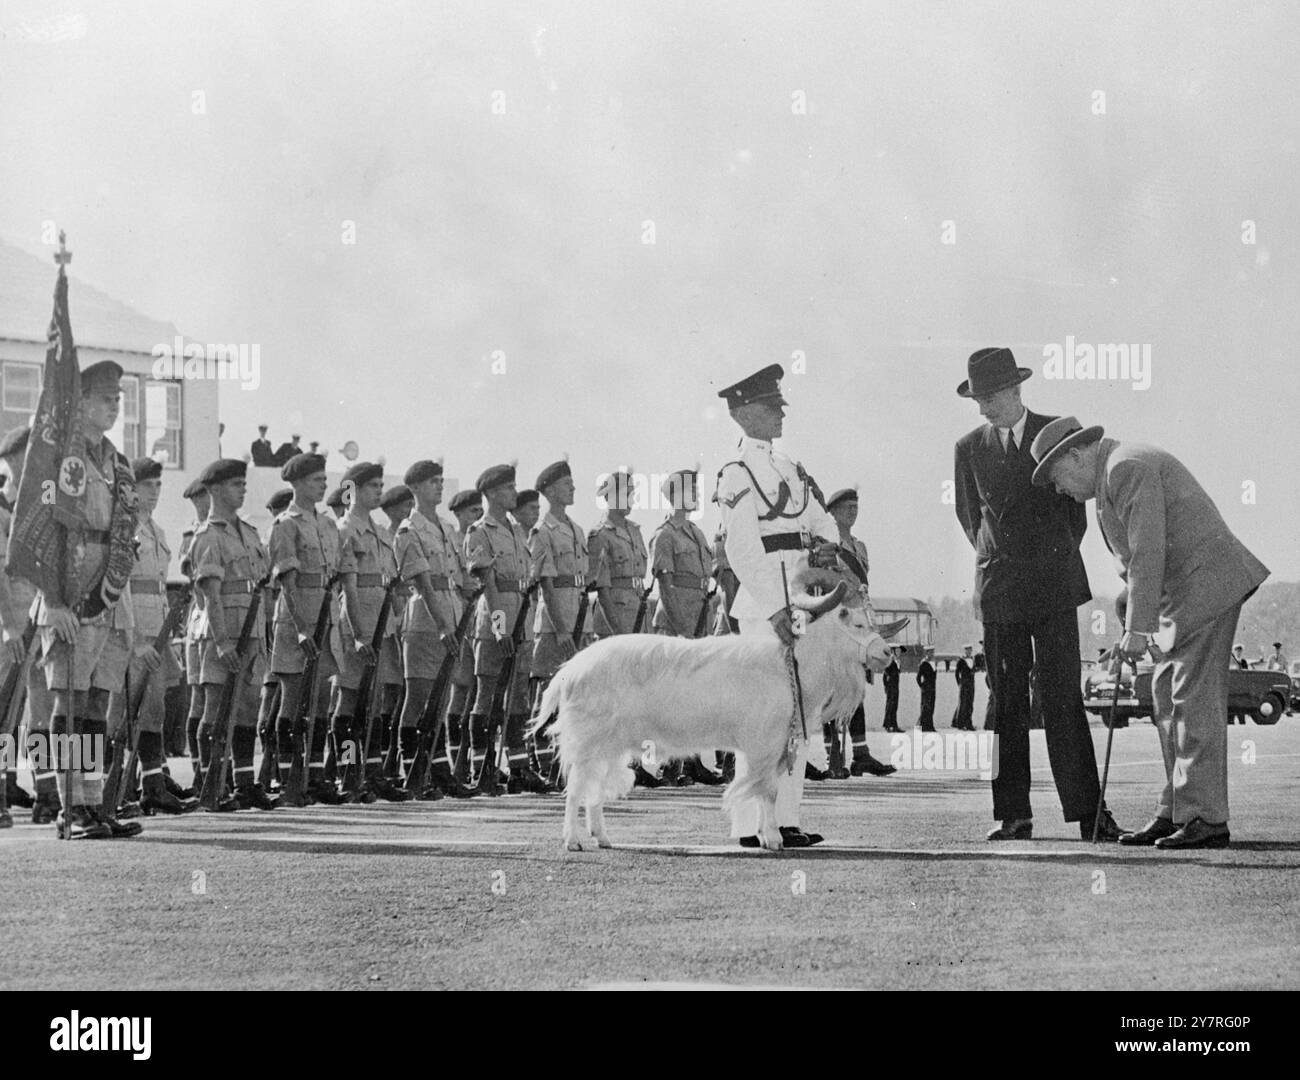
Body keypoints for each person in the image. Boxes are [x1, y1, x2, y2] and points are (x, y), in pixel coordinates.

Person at [1031, 416, 1269, 849]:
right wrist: (1130, 605)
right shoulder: (1110, 479)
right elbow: (1143, 556)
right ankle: (1176, 808)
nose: (1059, 489)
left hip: (1206, 589)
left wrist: (1138, 629)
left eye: (1057, 477)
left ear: (1076, 454)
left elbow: (1148, 551)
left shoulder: (1125, 467)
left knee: (1189, 697)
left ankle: (1205, 817)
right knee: (1164, 694)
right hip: (1183, 596)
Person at [953, 347, 1121, 842]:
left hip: (1052, 586)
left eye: (989, 397)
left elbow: (1075, 511)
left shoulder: (1056, 434)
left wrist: (1045, 558)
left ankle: (1090, 815)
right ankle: (1013, 815)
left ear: (1015, 390)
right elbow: (970, 518)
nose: (984, 408)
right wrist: (1000, 558)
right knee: (1005, 703)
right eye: (978, 400)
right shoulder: (968, 448)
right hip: (1001, 590)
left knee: (1062, 699)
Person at [714, 363, 839, 849]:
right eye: (771, 408)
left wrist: (828, 546)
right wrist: (774, 609)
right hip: (767, 605)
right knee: (761, 715)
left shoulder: (789, 468)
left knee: (800, 715)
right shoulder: (736, 473)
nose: (780, 415)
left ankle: (786, 818)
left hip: (803, 597)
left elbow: (821, 520)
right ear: (745, 414)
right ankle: (749, 823)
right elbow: (742, 550)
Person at [33, 361, 143, 839]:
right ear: (79, 403)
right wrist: (53, 603)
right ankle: (68, 807)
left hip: (109, 593)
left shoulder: (115, 460)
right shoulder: (59, 455)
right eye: (104, 398)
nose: (114, 406)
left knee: (98, 702)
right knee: (70, 702)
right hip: (70, 593)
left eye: (117, 399)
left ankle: (93, 804)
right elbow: (35, 533)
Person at [189, 458, 275, 812]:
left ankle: (243, 783)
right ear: (214, 490)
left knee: (246, 709)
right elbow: (209, 595)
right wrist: (222, 641)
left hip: (251, 631)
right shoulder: (209, 536)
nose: (242, 489)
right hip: (223, 633)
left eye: (243, 483)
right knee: (215, 710)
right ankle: (212, 782)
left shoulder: (250, 533)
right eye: (234, 484)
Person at [110, 458, 192, 814]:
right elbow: (120, 586)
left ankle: (152, 786)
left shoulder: (156, 531)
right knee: (120, 713)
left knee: (153, 711)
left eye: (158, 486)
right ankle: (112, 786)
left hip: (156, 633)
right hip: (131, 634)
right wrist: (135, 639)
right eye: (148, 486)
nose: (154, 492)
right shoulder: (124, 529)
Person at [331, 462, 413, 803]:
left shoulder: (380, 531)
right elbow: (347, 588)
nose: (378, 491)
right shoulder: (344, 529)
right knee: (349, 700)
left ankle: (374, 771)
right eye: (371, 486)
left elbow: (392, 581)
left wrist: (394, 615)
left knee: (376, 701)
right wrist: (360, 633)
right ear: (352, 490)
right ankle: (348, 772)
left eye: (380, 485)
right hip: (359, 623)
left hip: (383, 624)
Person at [268, 452, 341, 805]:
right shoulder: (286, 524)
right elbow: (287, 581)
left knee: (321, 703)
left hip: (326, 616)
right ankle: (287, 780)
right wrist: (300, 628)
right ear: (296, 484)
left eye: (324, 478)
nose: (324, 484)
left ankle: (314, 776)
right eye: (316, 479)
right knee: (292, 701)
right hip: (297, 619)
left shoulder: (326, 523)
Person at [393, 460, 468, 797]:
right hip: (426, 621)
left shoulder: (445, 528)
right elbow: (423, 582)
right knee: (420, 697)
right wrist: (442, 624)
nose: (439, 486)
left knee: (441, 699)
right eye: (432, 482)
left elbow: (456, 577)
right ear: (416, 488)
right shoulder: (409, 530)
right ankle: (412, 770)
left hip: (450, 613)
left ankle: (438, 769)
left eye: (440, 480)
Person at [648, 468, 723, 786]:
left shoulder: (697, 532)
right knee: (667, 699)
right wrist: (681, 626)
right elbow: (665, 585)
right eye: (690, 490)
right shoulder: (665, 534)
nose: (696, 495)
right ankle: (659, 764)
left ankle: (691, 762)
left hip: (698, 619)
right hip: (676, 622)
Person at [464, 465, 535, 795]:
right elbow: (487, 584)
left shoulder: (515, 530)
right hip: (497, 619)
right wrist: (499, 628)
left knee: (518, 695)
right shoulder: (480, 531)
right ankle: (482, 767)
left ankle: (519, 767)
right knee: (487, 695)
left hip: (520, 615)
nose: (514, 494)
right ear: (491, 493)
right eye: (508, 489)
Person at [528, 460, 597, 786]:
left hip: (580, 621)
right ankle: (542, 763)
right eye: (566, 483)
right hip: (557, 624)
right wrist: (561, 627)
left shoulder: (576, 529)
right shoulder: (543, 531)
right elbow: (547, 584)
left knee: (577, 696)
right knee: (549, 696)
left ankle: (566, 763)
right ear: (549, 490)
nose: (572, 487)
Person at [824, 486, 895, 777]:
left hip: (860, 623)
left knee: (856, 688)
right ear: (833, 513)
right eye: (846, 508)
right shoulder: (827, 545)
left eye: (855, 508)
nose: (852, 512)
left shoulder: (860, 546)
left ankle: (861, 754)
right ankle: (833, 757)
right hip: (838, 622)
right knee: (833, 689)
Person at [0, 427, 38, 824]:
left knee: (26, 708)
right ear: (12, 460)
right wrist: (10, 626)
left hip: (34, 619)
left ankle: (25, 783)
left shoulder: (32, 508)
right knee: (2, 706)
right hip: (9, 620)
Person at [444, 488, 484, 790]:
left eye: (479, 510)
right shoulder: (451, 542)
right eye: (472, 511)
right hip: (459, 615)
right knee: (460, 691)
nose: (478, 515)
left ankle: (472, 762)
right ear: (457, 514)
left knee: (475, 691)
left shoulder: (480, 537)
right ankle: (455, 759)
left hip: (478, 616)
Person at [589, 470, 648, 635]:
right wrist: (617, 630)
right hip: (616, 617)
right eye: (626, 494)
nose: (631, 499)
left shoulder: (635, 531)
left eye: (632, 494)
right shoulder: (600, 534)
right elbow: (603, 590)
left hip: (638, 610)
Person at [952, 645, 976, 730]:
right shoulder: (961, 661)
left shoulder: (973, 660)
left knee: (970, 704)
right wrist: (960, 683)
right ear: (964, 651)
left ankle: (969, 723)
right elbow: (956, 673)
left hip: (971, 684)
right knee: (963, 704)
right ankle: (960, 723)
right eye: (967, 650)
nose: (969, 651)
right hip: (964, 684)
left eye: (970, 650)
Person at [916, 648, 937, 732]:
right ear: (926, 653)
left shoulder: (933, 663)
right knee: (925, 707)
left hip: (933, 687)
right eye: (930, 652)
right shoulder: (924, 663)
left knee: (931, 706)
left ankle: (930, 726)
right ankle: (922, 726)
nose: (931, 654)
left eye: (932, 652)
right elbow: (918, 677)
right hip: (926, 688)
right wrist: (922, 686)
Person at [882, 650, 901, 732]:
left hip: (895, 687)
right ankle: (888, 725)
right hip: (891, 688)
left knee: (894, 707)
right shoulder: (888, 663)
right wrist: (886, 686)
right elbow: (885, 676)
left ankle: (893, 725)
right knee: (890, 706)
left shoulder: (895, 663)